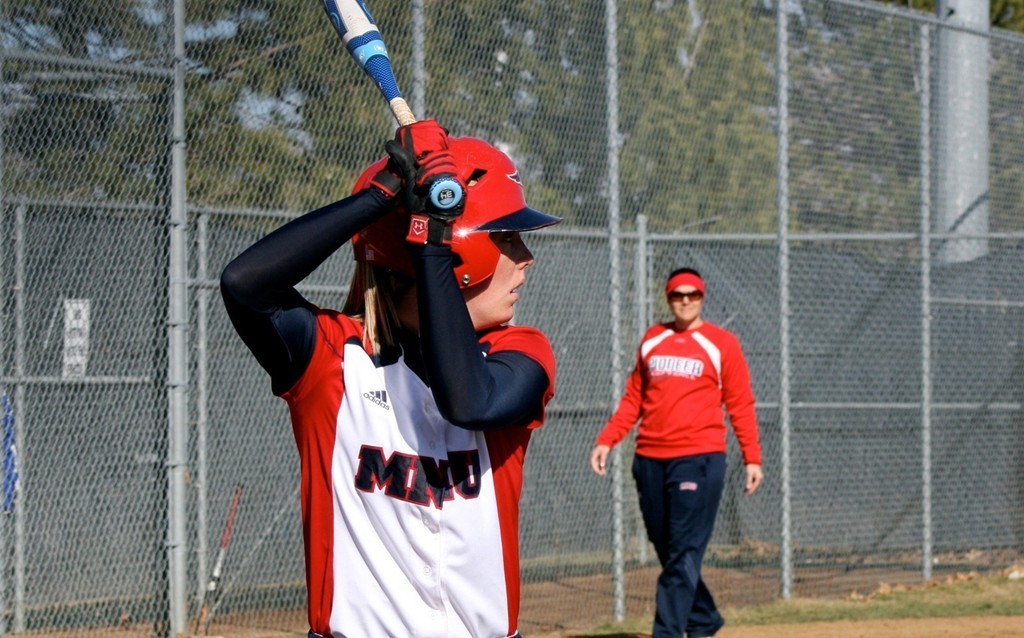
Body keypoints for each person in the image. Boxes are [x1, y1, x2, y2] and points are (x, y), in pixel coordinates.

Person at [220, 120, 560, 638]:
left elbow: (469, 402)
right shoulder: (333, 362)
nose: (525, 259)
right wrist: (382, 198)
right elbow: (244, 286)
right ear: (466, 252)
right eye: (506, 238)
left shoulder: (520, 352)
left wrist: (428, 244)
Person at [589, 267, 764, 638]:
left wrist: (752, 457)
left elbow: (740, 403)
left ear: (702, 298)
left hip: (699, 459)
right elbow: (633, 397)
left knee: (684, 549)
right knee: (668, 547)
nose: (686, 300)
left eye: (693, 294)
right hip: (649, 458)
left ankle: (667, 632)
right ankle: (702, 618)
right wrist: (608, 439)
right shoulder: (653, 339)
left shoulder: (722, 343)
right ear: (668, 298)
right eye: (678, 295)